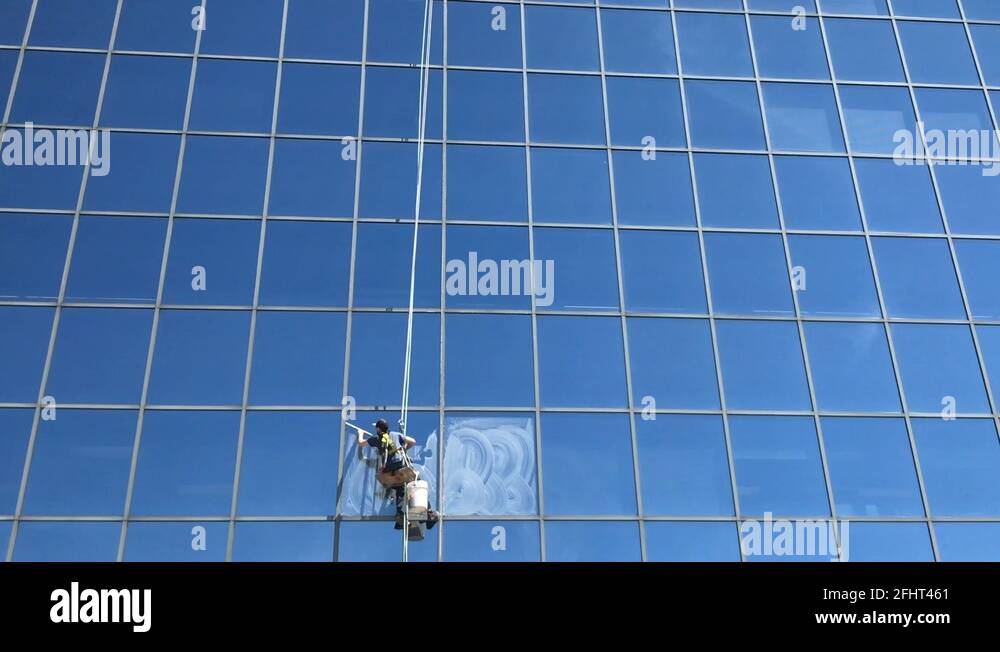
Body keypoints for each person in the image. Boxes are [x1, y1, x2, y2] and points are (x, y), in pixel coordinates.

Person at [357, 419, 439, 531]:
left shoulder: (376, 439)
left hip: (390, 472)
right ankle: (429, 515)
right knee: (417, 484)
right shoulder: (395, 434)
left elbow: (361, 443)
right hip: (402, 467)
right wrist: (403, 449)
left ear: (378, 429)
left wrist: (360, 433)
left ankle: (400, 518)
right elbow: (413, 441)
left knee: (399, 490)